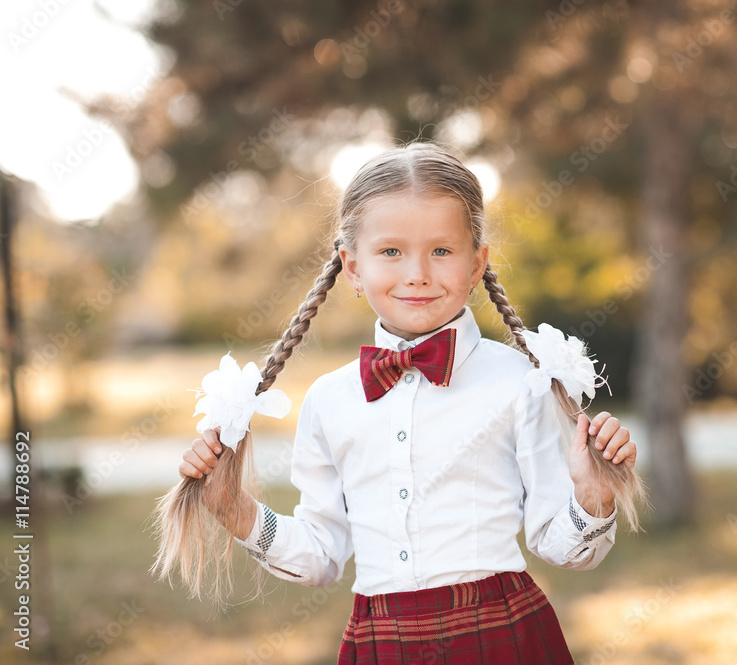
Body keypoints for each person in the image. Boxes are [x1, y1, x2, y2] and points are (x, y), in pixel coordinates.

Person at [163, 142, 644, 663]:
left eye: (441, 250)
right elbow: (321, 557)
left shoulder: (522, 381)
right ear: (351, 266)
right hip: (379, 644)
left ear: (478, 261)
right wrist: (234, 509)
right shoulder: (329, 400)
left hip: (503, 637)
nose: (417, 273)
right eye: (391, 251)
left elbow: (563, 547)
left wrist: (592, 497)